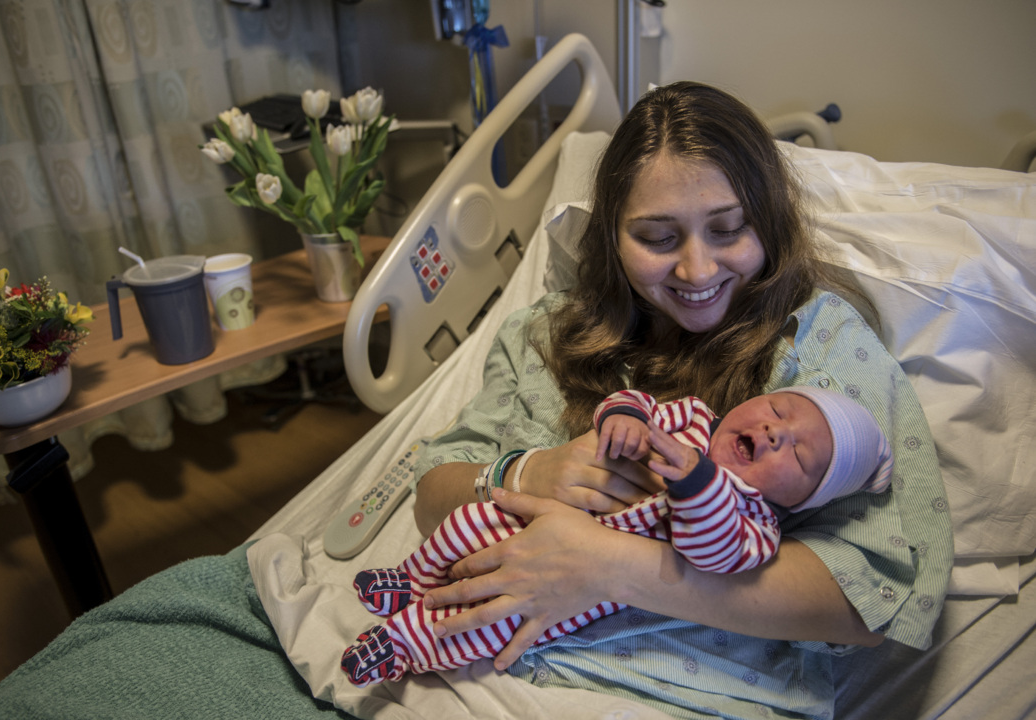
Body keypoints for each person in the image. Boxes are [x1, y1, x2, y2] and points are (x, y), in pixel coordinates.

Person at [404, 81, 952, 717]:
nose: (697, 270)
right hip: (483, 666)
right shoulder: (546, 336)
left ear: (768, 221)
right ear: (612, 236)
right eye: (659, 239)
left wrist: (608, 566)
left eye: (728, 229)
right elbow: (430, 498)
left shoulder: (819, 344)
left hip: (692, 696)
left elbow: (868, 597)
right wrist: (524, 471)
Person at [340, 385, 893, 687]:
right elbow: (639, 401)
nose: (776, 431)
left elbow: (712, 551)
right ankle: (412, 581)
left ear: (800, 501)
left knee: (491, 625)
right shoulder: (695, 418)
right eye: (779, 409)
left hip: (582, 594)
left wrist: (697, 482)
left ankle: (406, 646)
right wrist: (622, 417)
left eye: (800, 454)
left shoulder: (756, 527)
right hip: (536, 519)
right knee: (470, 522)